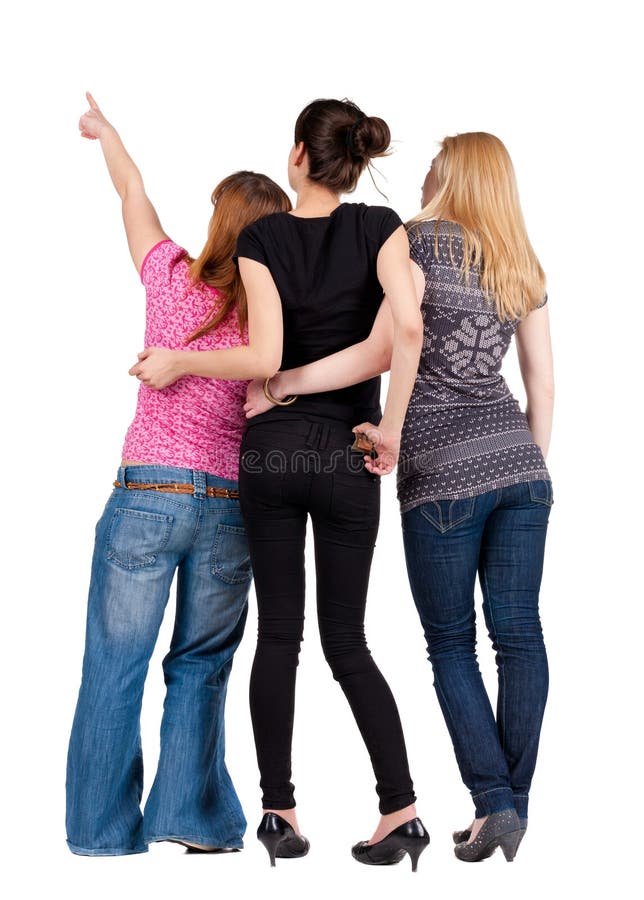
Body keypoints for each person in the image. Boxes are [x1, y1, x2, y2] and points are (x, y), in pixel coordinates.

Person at [131, 97, 429, 871]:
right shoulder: (382, 228)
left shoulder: (262, 237)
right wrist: (391, 429)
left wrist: (277, 384)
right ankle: (401, 810)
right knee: (349, 640)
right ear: (356, 162)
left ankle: (279, 812)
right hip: (350, 453)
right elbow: (406, 331)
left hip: (272, 453)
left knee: (280, 636)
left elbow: (264, 360)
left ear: (298, 156)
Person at [245, 131, 554, 864]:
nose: (420, 178)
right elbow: (542, 385)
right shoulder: (519, 260)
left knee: (451, 644)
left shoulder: (413, 244)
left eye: (431, 167)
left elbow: (384, 347)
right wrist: (528, 476)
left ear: (452, 176)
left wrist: (285, 385)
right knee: (519, 636)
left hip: (441, 474)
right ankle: (507, 806)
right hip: (521, 467)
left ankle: (495, 801)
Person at [66, 93, 291, 856]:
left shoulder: (168, 275)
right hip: (229, 505)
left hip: (148, 497)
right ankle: (191, 820)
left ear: (218, 221)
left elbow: (132, 191)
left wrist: (108, 134)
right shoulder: (272, 320)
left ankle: (101, 833)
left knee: (114, 664)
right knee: (202, 664)